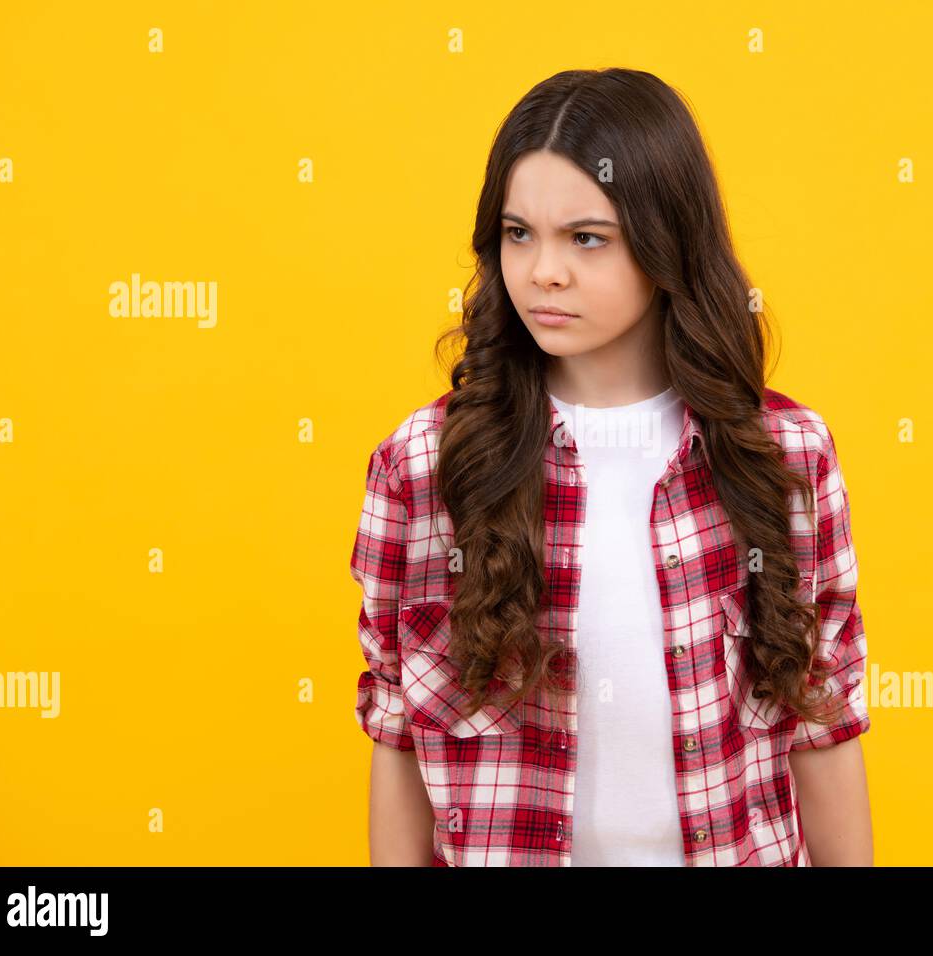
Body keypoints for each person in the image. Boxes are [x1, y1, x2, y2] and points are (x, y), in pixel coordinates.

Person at [351, 67, 873, 866]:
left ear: (667, 242)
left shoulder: (784, 454)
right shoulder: (426, 466)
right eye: (518, 233)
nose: (542, 273)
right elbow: (395, 732)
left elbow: (823, 716)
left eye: (586, 238)